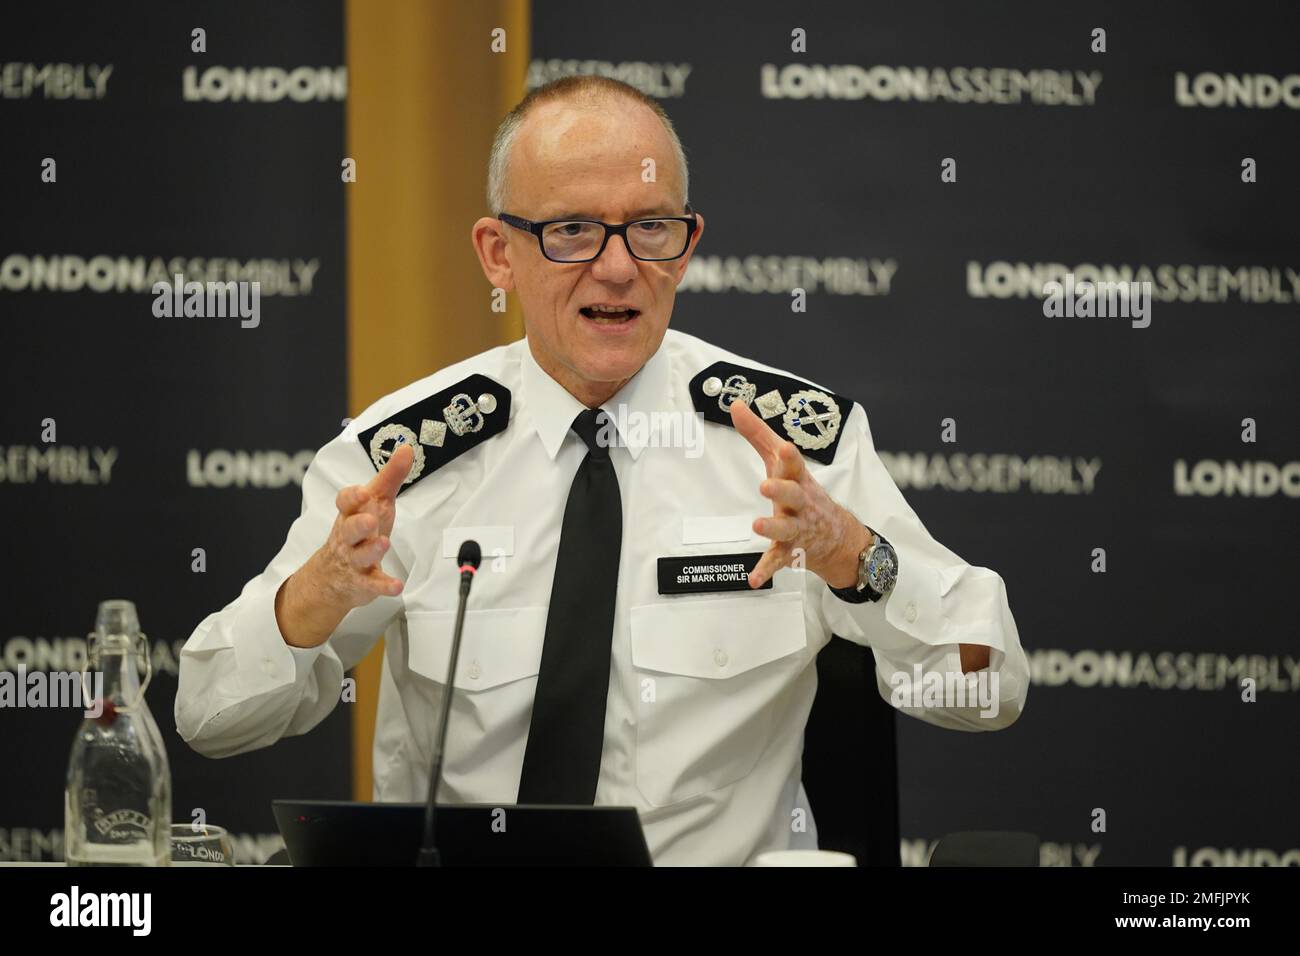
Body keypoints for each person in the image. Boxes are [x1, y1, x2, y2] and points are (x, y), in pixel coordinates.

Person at [176, 75, 1029, 866]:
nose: (619, 266)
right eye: (573, 230)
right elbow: (210, 716)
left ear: (687, 245)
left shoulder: (790, 447)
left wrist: (855, 558)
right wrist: (313, 599)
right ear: (497, 255)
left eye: (650, 226)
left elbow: (991, 687)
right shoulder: (406, 461)